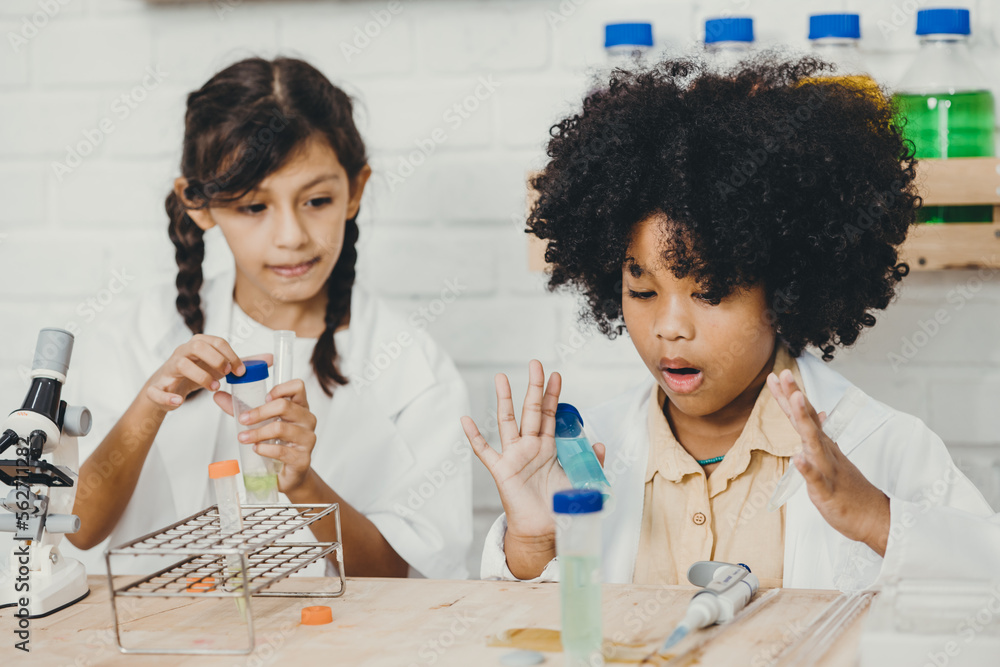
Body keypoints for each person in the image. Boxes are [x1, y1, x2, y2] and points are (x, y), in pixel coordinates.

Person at [463, 54, 994, 590]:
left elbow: (983, 593)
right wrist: (533, 545)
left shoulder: (883, 447)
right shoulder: (588, 454)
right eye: (643, 290)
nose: (670, 327)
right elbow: (539, 638)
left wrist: (876, 517)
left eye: (710, 292)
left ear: (785, 289)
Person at [63, 57, 472, 579]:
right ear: (199, 204)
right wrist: (150, 405)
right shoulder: (135, 337)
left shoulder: (412, 369)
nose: (291, 236)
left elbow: (404, 576)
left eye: (317, 200)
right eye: (254, 207)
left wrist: (303, 484)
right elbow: (77, 526)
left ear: (356, 189)